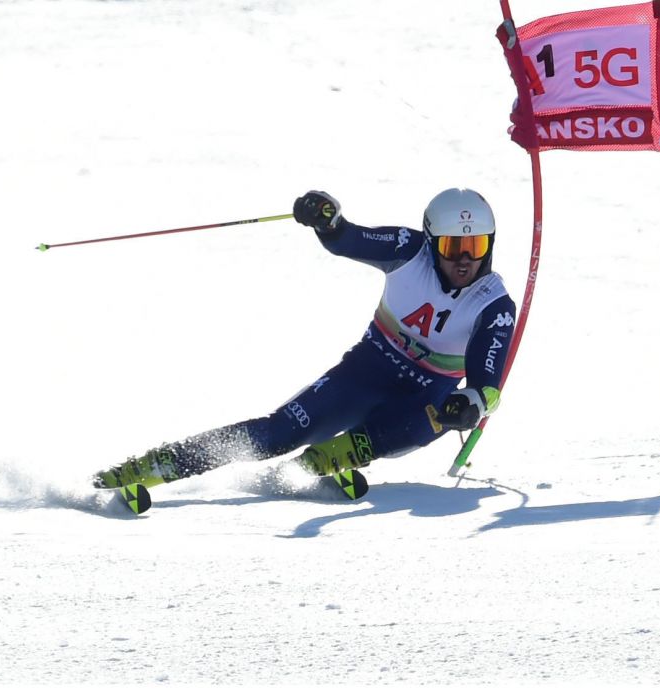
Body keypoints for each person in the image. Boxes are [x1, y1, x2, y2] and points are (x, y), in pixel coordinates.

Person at [93, 188, 517, 500]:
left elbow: (488, 383)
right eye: (452, 246)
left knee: (432, 419)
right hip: (367, 371)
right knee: (277, 433)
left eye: (475, 246)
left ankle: (318, 464)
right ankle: (154, 465)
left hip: (424, 396)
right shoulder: (409, 250)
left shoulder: (493, 304)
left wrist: (473, 403)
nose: (464, 259)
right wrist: (327, 221)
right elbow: (350, 239)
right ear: (431, 241)